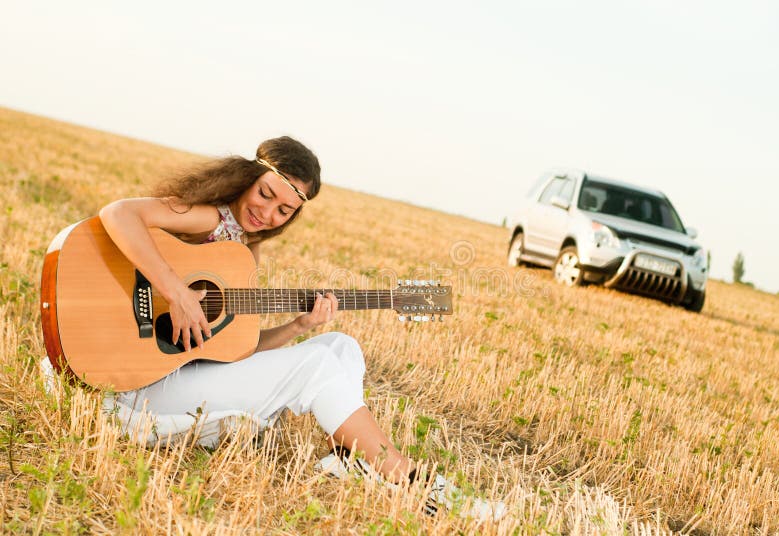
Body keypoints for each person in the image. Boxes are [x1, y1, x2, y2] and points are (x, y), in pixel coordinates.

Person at [93, 136, 505, 521]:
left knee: (340, 346)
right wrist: (176, 292)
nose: (267, 213)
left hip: (179, 374)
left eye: (283, 210)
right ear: (248, 178)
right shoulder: (208, 218)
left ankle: (348, 459)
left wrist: (299, 325)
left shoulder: (243, 253)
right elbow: (117, 213)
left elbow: (235, 350)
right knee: (315, 366)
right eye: (265, 194)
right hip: (137, 382)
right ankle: (409, 480)